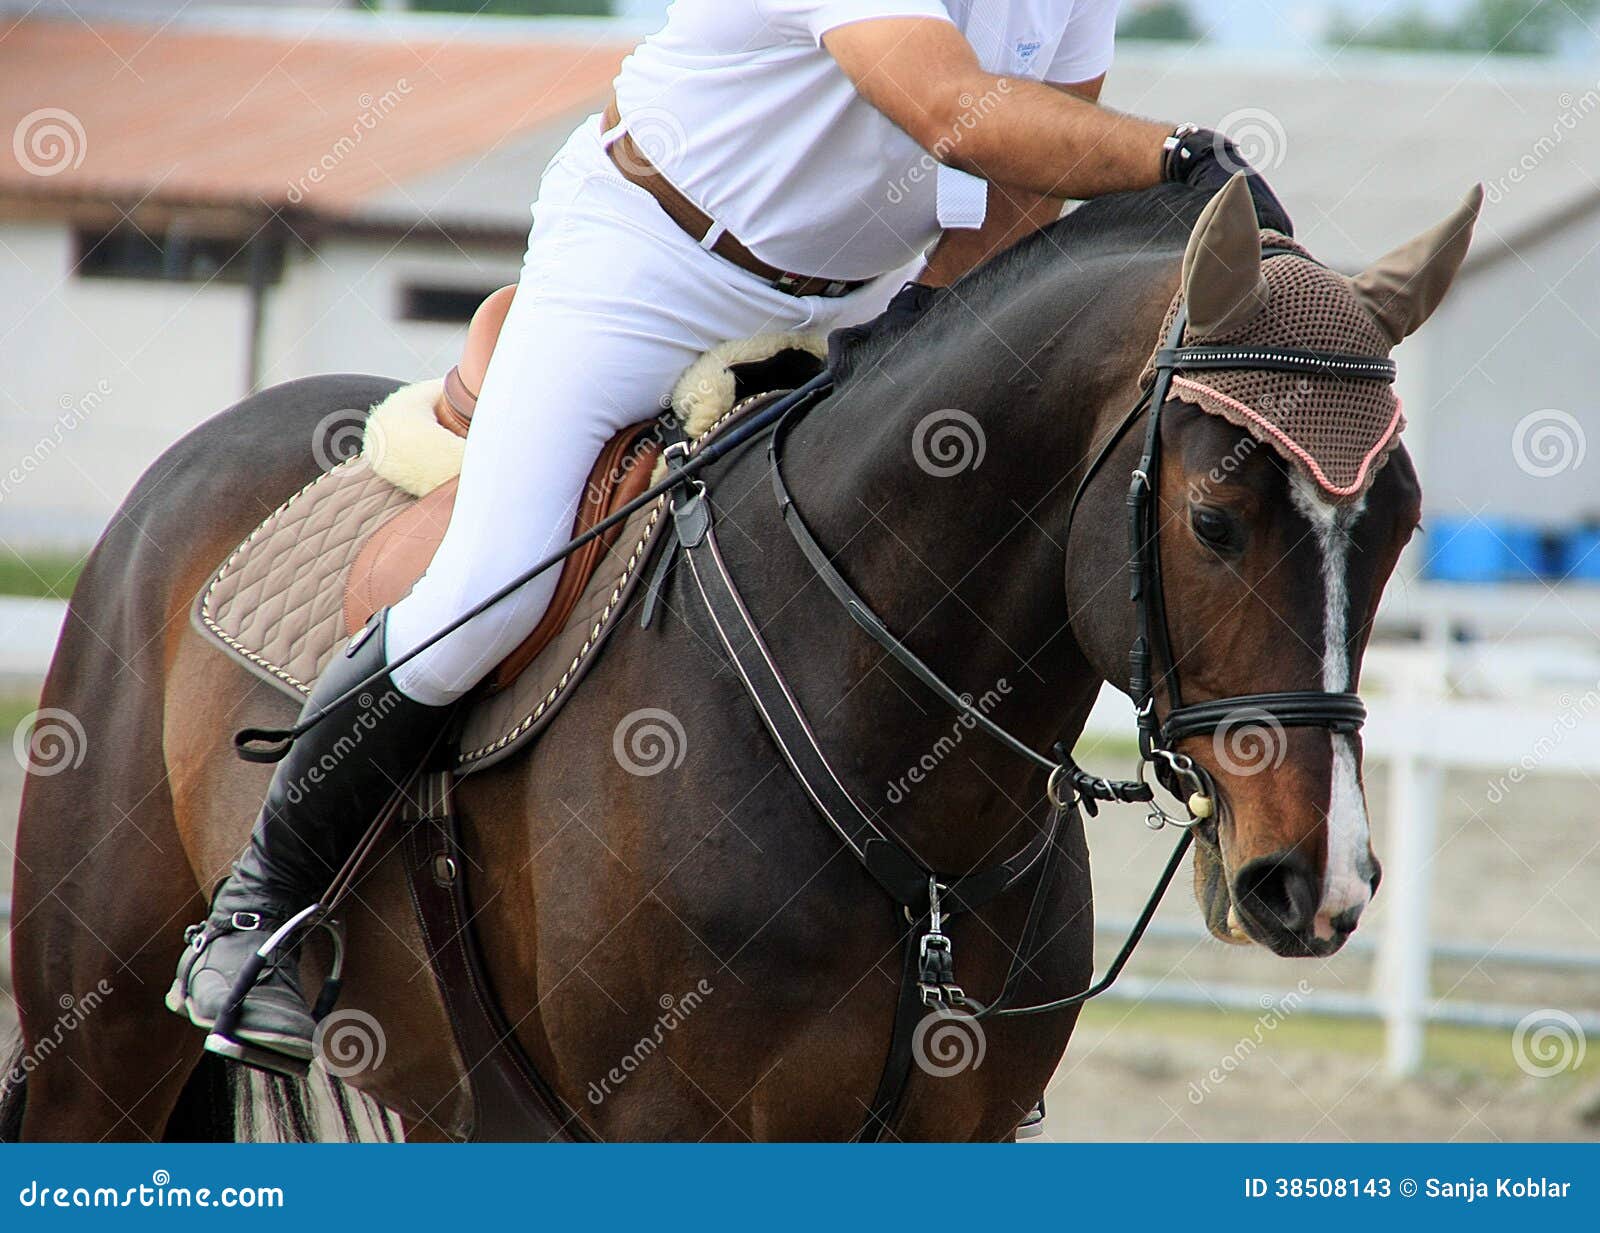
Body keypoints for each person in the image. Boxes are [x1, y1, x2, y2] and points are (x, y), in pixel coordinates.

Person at [169, 0, 1286, 1072]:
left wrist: (931, 324)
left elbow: (1010, 196)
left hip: (853, 295)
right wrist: (1177, 156)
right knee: (493, 589)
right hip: (650, 266)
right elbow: (955, 110)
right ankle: (260, 909)